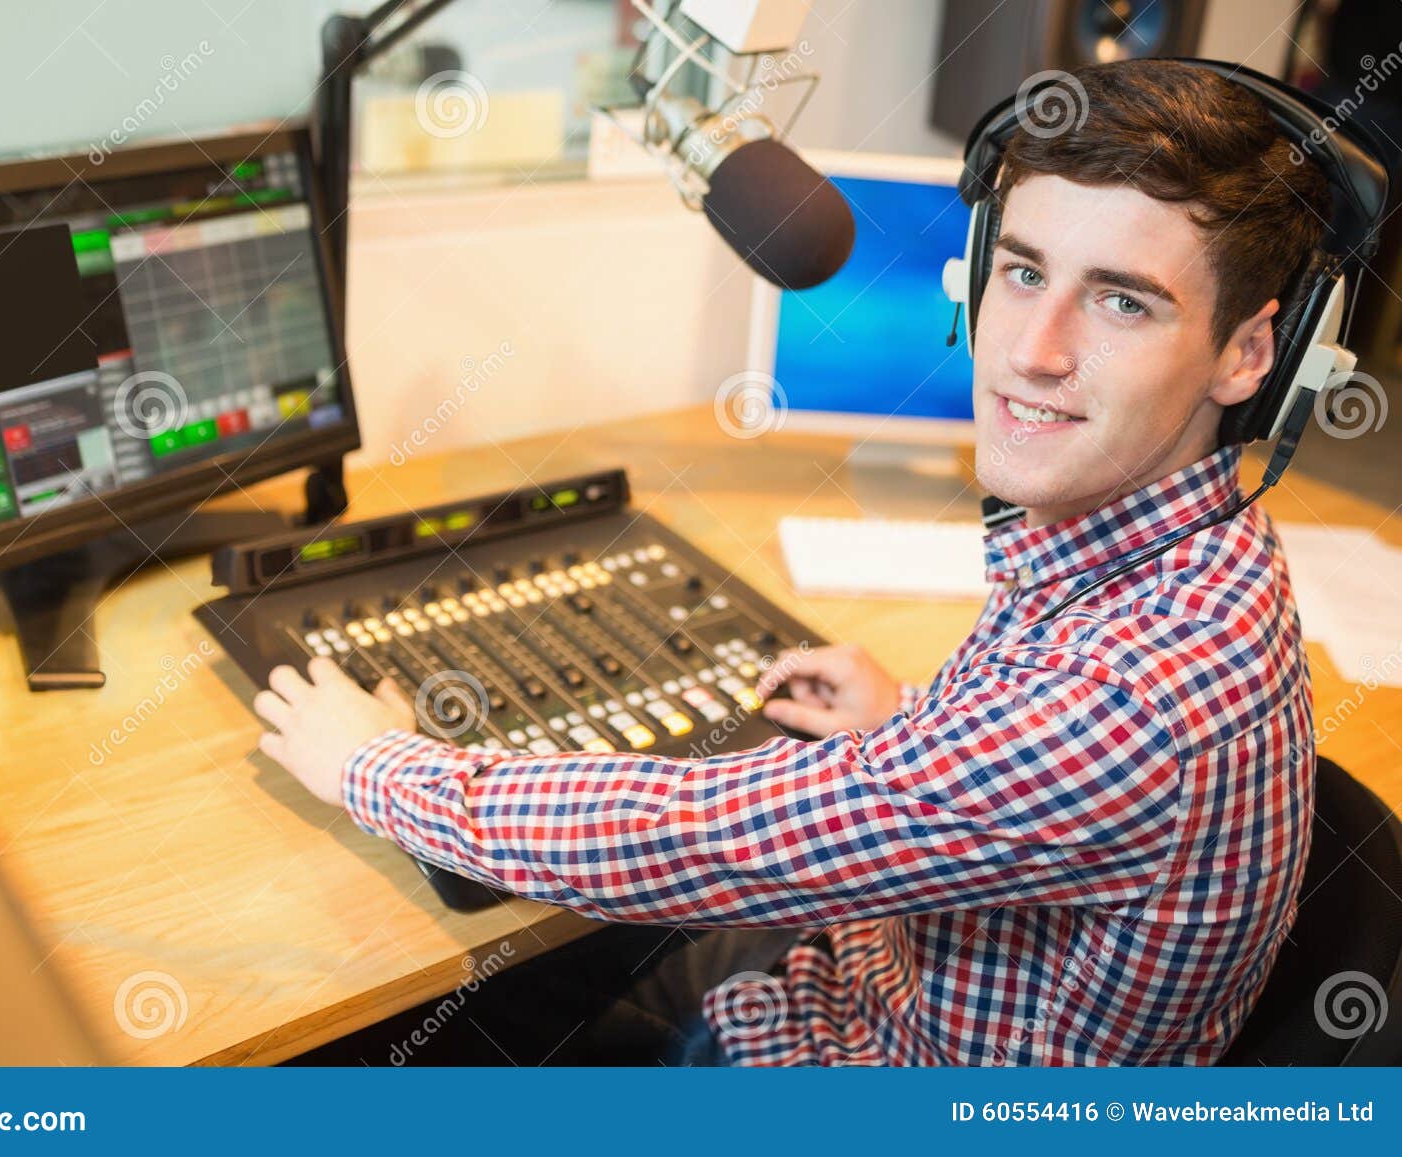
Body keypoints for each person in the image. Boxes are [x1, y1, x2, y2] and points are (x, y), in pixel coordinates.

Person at [253, 59, 1325, 1066]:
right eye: (1022, 270)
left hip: (844, 1062)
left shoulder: (1125, 701)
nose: (1031, 349)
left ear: (1246, 352)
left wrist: (373, 765)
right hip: (862, 970)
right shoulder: (1197, 547)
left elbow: (693, 840)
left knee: (372, 1043)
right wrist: (911, 726)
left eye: (1120, 299)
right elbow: (1042, 784)